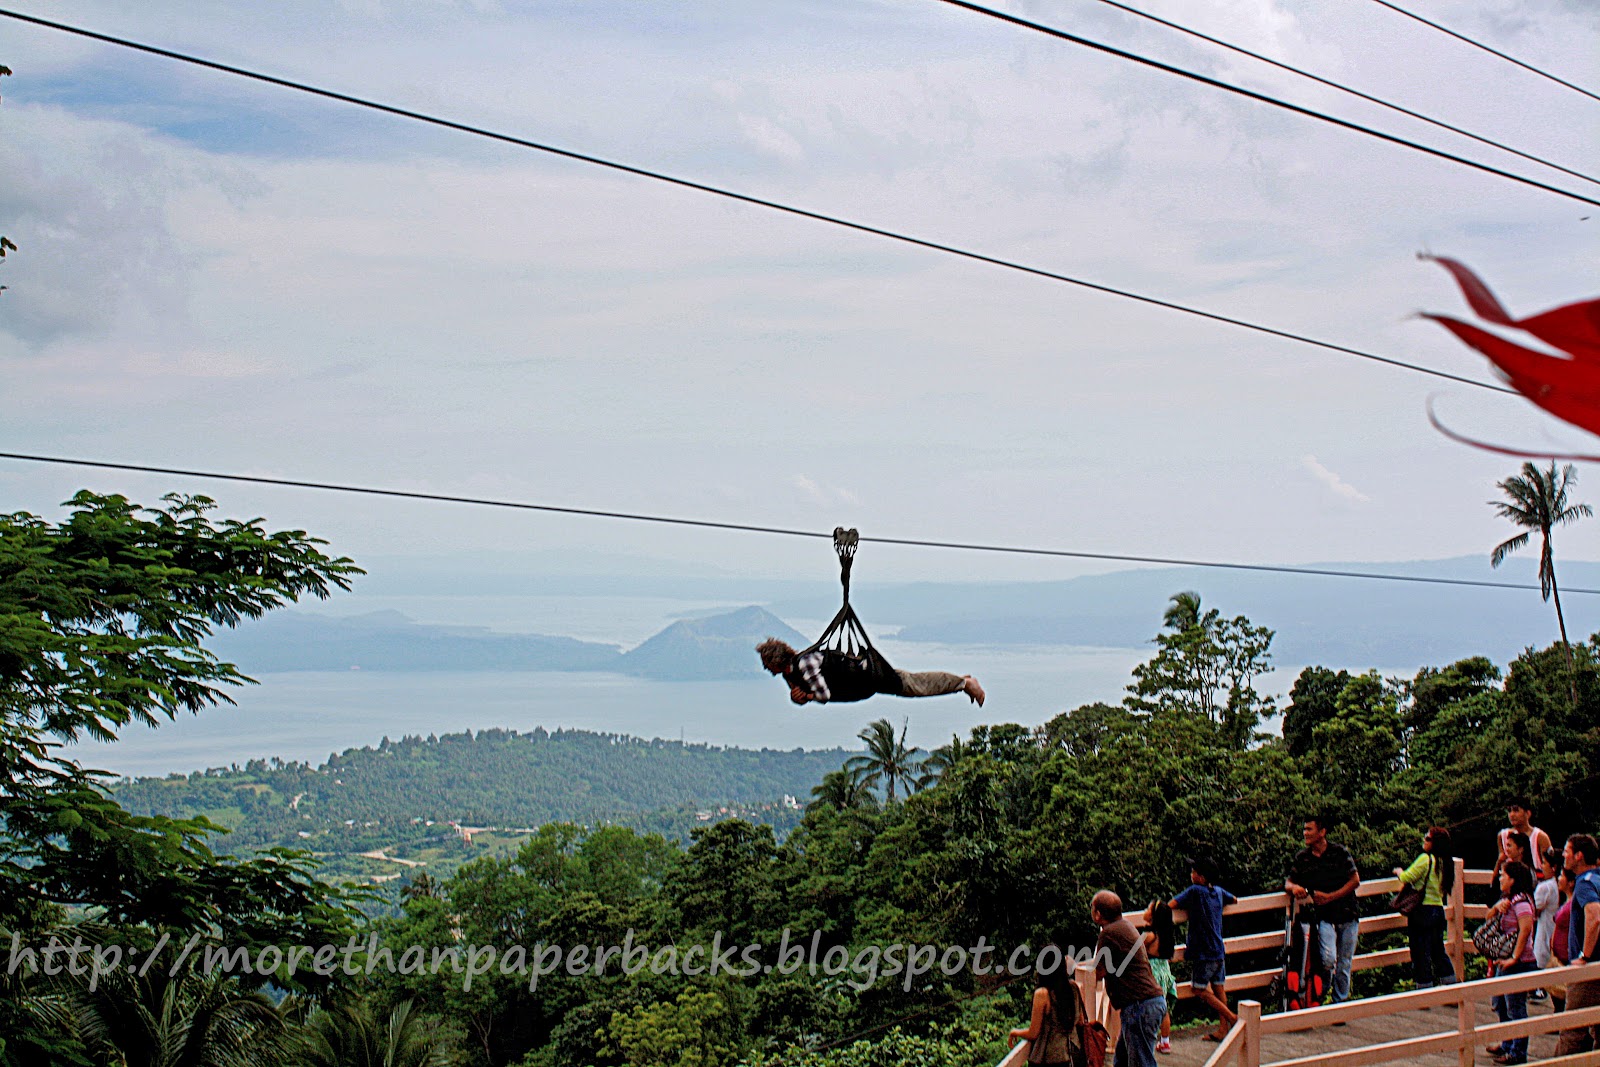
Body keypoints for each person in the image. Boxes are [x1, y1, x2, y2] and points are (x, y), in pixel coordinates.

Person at [754, 638, 985, 706]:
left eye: (768, 664)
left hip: (868, 678)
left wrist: (807, 697)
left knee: (914, 686)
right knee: (913, 682)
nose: (767, 669)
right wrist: (799, 699)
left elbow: (822, 695)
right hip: (863, 679)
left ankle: (965, 684)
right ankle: (962, 682)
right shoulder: (790, 672)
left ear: (776, 661)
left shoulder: (804, 665)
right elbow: (803, 696)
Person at [1285, 815, 1361, 1005]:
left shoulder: (1339, 852)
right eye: (1304, 829)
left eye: (1309, 829)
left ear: (1322, 832)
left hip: (1347, 913)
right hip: (1323, 918)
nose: (1305, 833)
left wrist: (1330, 897)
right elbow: (1289, 882)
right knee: (1327, 960)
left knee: (1344, 963)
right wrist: (1294, 888)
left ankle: (1339, 1004)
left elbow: (1355, 881)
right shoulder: (1303, 858)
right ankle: (1319, 995)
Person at [1091, 890, 1166, 1067]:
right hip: (1149, 1003)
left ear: (1098, 914)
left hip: (1139, 1007)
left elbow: (1099, 972)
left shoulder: (1108, 933)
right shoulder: (1126, 925)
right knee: (1122, 1061)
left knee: (1142, 1063)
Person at [1168, 856, 1238, 1040]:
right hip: (1218, 949)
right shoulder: (1219, 892)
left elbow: (1171, 905)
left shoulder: (1194, 891)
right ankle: (1223, 1029)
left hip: (1203, 952)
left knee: (1198, 990)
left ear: (1202, 877)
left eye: (1194, 872)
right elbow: (1235, 900)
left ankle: (1232, 1017)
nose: (1191, 874)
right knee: (1218, 988)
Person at [1484, 861, 1538, 1066]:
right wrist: (1497, 908)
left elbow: (1526, 929)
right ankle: (1507, 1042)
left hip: (1520, 962)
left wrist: (1514, 957)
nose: (1500, 878)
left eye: (1503, 875)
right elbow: (1488, 920)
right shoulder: (1507, 900)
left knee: (1515, 1007)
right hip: (1505, 959)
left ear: (1513, 879)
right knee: (1500, 1003)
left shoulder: (1522, 902)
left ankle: (1517, 1052)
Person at [1392, 825, 1456, 990]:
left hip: (1422, 912)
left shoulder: (1425, 859)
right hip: (1438, 910)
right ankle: (1450, 987)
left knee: (1420, 953)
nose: (1424, 840)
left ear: (1435, 843)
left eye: (1427, 838)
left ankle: (1424, 991)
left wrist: (1399, 872)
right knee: (1438, 950)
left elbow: (1407, 876)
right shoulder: (1446, 863)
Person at [1556, 833, 1600, 1057]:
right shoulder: (1598, 879)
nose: (1563, 855)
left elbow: (1594, 916)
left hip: (1588, 972)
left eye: (1567, 850)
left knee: (1572, 1030)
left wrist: (1584, 955)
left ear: (1579, 856)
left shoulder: (1584, 884)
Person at [1009, 948, 1086, 1067]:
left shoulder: (1042, 994)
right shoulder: (1073, 988)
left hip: (1050, 1059)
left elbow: (1033, 1033)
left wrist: (1016, 1032)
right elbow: (1080, 1021)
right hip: (1073, 1055)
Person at [1139, 900, 1177, 1055]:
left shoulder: (1149, 935)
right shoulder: (1166, 935)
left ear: (1153, 917)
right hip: (1165, 973)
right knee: (1163, 1009)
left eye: (1148, 908)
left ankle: (1146, 1040)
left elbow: (1134, 949)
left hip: (1152, 973)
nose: (1145, 910)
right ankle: (1165, 1042)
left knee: (1146, 1008)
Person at [1492, 799, 1552, 882]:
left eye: (1516, 810)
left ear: (1528, 813)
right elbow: (1500, 863)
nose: (1512, 815)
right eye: (1509, 811)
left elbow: (1550, 868)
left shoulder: (1540, 837)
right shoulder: (1502, 836)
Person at [1533, 846, 1563, 1001]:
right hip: (1559, 931)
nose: (1542, 866)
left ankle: (1539, 990)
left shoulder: (1545, 887)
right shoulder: (1560, 885)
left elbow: (1535, 910)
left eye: (1544, 863)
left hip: (1545, 928)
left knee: (1541, 957)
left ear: (1554, 867)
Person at [1551, 866, 1576, 1013]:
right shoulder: (1566, 900)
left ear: (1571, 882)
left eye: (1561, 876)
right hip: (1558, 954)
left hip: (1567, 955)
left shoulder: (1575, 904)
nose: (1558, 879)